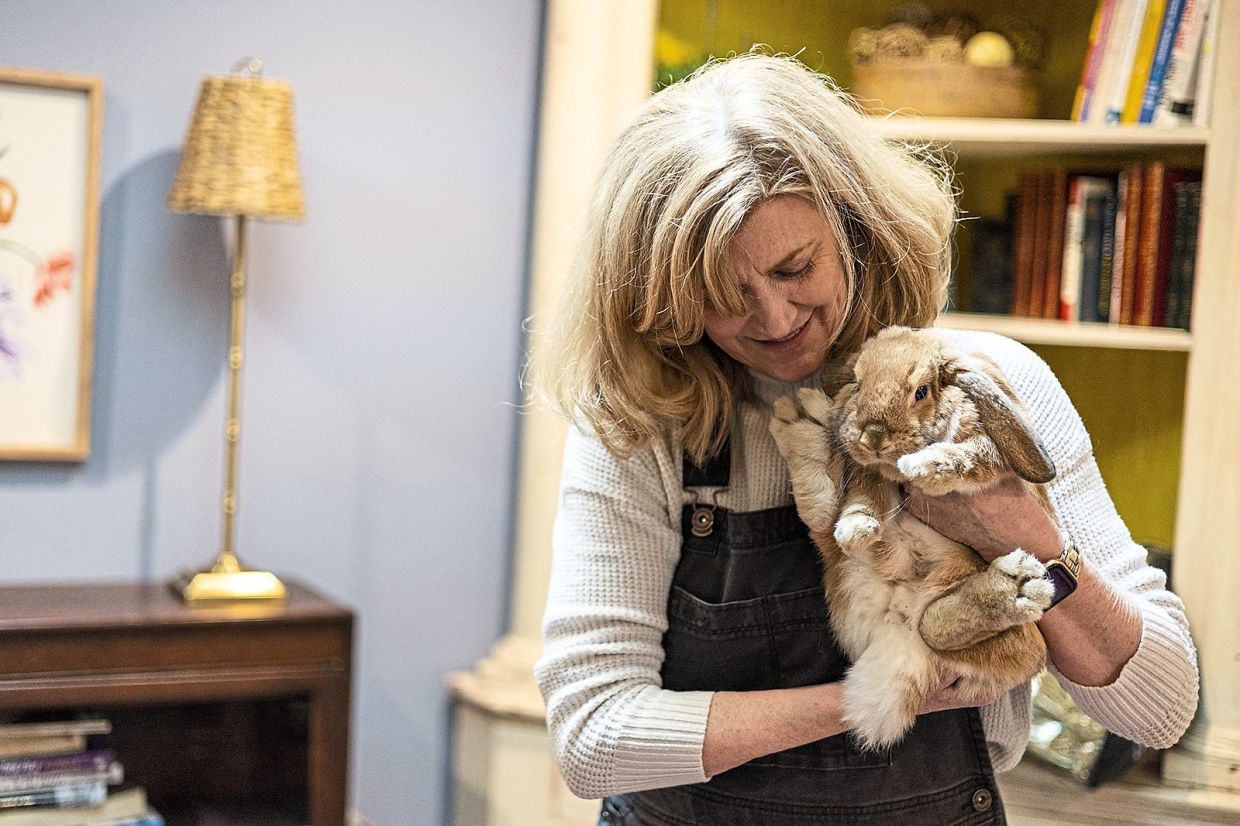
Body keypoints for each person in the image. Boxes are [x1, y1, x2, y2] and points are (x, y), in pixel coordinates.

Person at [534, 53, 1197, 825]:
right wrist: (878, 696)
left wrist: (1019, 530)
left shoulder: (985, 382)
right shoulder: (644, 423)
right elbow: (594, 737)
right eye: (723, 298)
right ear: (666, 302)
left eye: (795, 267)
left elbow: (1159, 710)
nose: (776, 320)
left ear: (855, 224)